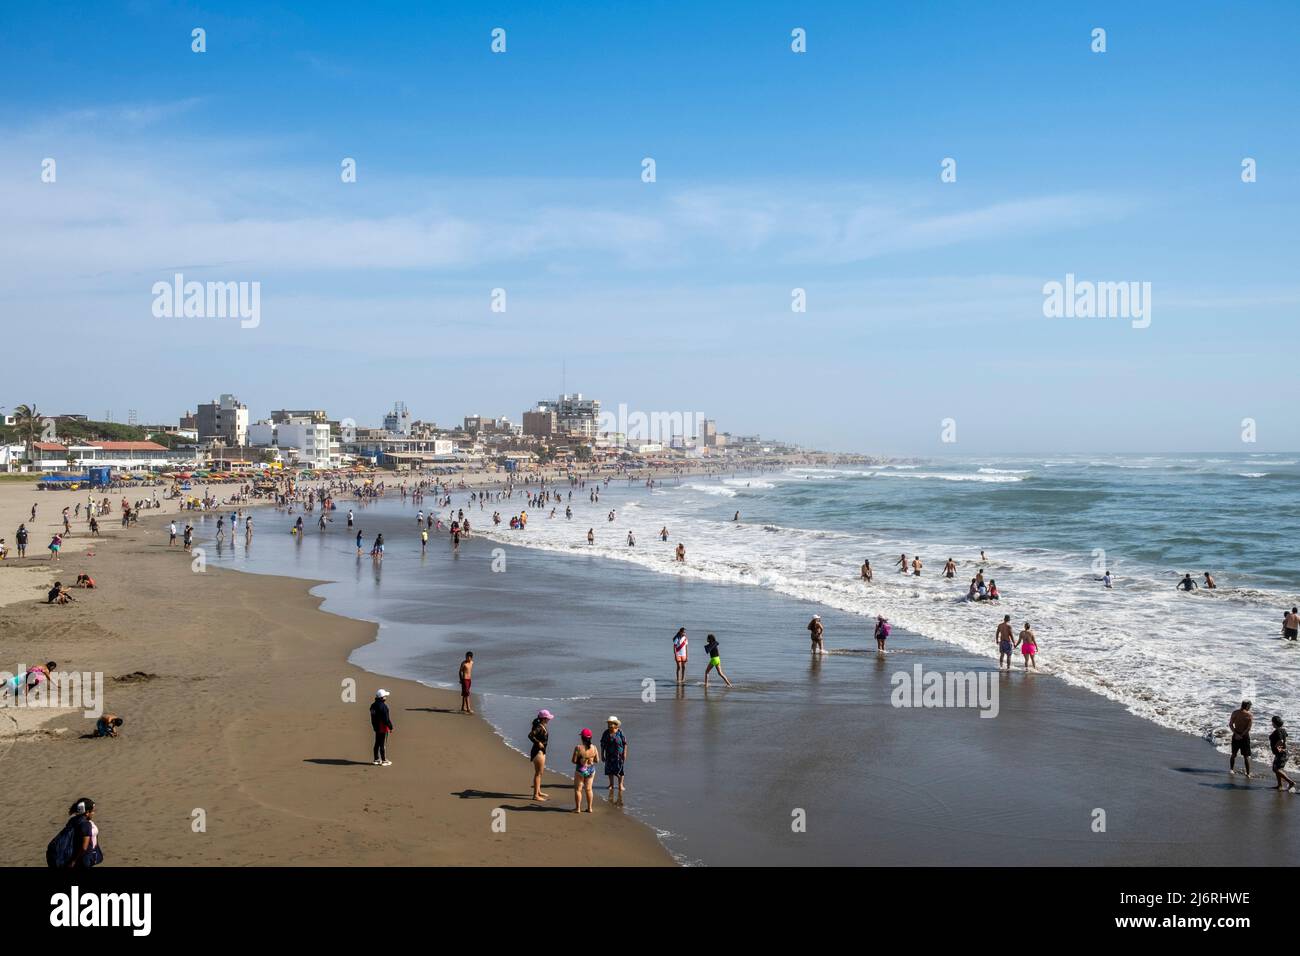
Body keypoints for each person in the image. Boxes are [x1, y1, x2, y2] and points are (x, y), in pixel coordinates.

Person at [47, 797, 102, 869]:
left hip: (75, 855)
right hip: (84, 858)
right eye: (92, 811)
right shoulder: (86, 824)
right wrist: (74, 861)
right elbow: (84, 847)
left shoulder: (74, 820)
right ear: (87, 812)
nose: (93, 813)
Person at [572, 729, 599, 813]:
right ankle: (590, 808)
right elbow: (597, 760)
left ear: (582, 738)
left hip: (580, 769)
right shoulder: (594, 748)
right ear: (590, 737)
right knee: (589, 789)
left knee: (578, 789)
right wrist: (590, 760)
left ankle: (578, 808)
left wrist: (581, 760)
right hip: (590, 769)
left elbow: (573, 760)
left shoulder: (578, 747)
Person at [600, 716, 628, 798]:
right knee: (609, 770)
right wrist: (602, 754)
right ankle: (611, 784)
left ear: (615, 724)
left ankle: (620, 785)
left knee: (620, 770)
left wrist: (625, 753)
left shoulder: (620, 732)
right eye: (608, 723)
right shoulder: (606, 733)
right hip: (609, 754)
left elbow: (625, 744)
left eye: (610, 723)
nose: (608, 725)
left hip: (619, 755)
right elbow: (602, 744)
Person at [529, 710, 552, 801]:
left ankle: (538, 791)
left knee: (540, 772)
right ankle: (535, 796)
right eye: (548, 718)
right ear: (544, 719)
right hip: (537, 752)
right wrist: (538, 742)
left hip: (541, 752)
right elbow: (530, 735)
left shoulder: (542, 726)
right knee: (538, 774)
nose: (549, 720)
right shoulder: (539, 727)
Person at [1269, 716, 1295, 791]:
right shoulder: (1283, 730)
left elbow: (1281, 741)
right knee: (1276, 769)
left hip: (1281, 753)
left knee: (1276, 769)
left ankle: (1291, 782)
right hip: (1281, 753)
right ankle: (1279, 785)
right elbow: (1284, 738)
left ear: (1274, 723)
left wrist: (1279, 749)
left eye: (1272, 722)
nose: (1272, 724)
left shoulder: (1277, 731)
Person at [1229, 700, 1253, 776]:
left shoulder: (1235, 713)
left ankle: (1231, 770)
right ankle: (1248, 773)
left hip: (1236, 735)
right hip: (1245, 736)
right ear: (1247, 706)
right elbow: (1248, 728)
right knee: (1246, 756)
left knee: (1234, 754)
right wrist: (1241, 735)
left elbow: (1230, 725)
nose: (1250, 708)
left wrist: (1236, 734)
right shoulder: (1249, 715)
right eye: (1249, 706)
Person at [370, 689, 393, 766]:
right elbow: (386, 719)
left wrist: (374, 726)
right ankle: (384, 760)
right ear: (382, 698)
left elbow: (372, 718)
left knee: (377, 743)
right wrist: (390, 727)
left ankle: (376, 759)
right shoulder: (384, 706)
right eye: (385, 696)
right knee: (382, 744)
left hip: (376, 727)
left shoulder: (373, 706)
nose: (386, 697)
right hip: (382, 727)